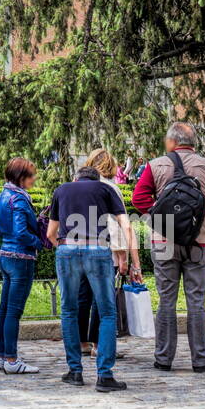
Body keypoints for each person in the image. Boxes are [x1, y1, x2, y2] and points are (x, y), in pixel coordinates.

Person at [132, 122, 205, 373]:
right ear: (193, 142)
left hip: (164, 241)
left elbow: (139, 199)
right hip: (200, 242)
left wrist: (160, 219)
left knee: (166, 300)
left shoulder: (155, 165)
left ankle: (163, 357)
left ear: (170, 142)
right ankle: (201, 358)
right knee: (196, 301)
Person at [49, 160, 135, 392]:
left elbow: (50, 232)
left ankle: (75, 371)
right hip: (97, 249)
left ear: (76, 179)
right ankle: (104, 375)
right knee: (107, 312)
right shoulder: (106, 189)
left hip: (67, 249)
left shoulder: (62, 190)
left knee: (69, 310)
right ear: (96, 180)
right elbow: (126, 226)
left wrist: (63, 250)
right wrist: (129, 260)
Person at [75, 148, 140, 359]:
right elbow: (118, 226)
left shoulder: (77, 187)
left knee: (83, 296)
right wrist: (124, 258)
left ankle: (81, 342)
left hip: (79, 249)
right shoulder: (110, 188)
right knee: (100, 299)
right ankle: (98, 344)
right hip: (104, 251)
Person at [0, 157, 44, 375]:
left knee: (4, 309)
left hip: (5, 255)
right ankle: (12, 359)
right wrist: (39, 243)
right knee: (13, 311)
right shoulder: (20, 200)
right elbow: (22, 233)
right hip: (21, 258)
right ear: (21, 177)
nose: (34, 179)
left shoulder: (2, 196)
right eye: (31, 175)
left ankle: (2, 356)